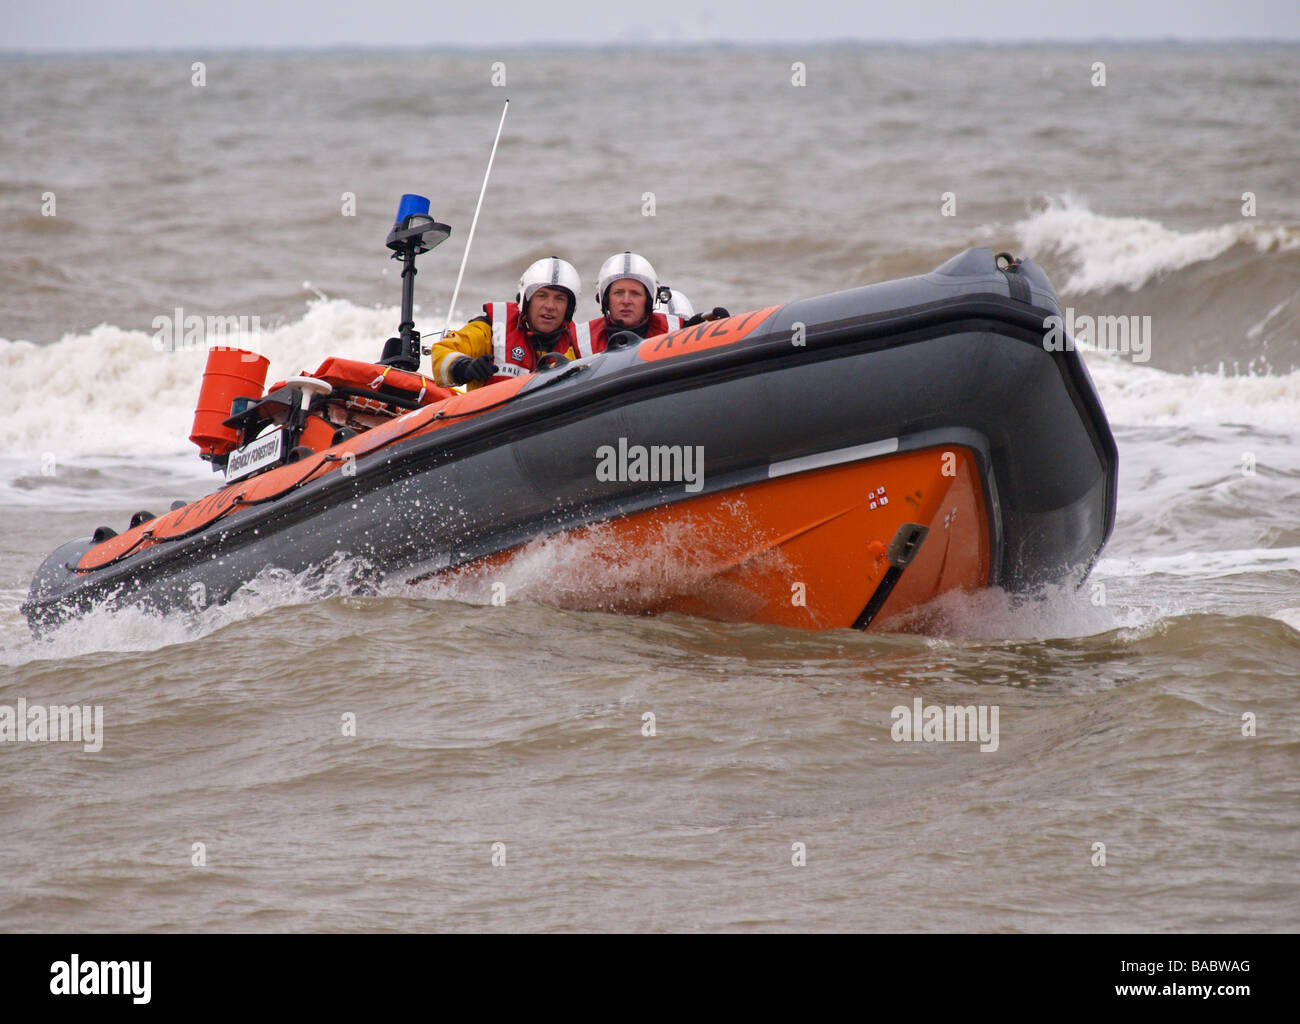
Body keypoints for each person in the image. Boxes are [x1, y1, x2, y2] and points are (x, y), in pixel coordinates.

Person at [429, 256, 583, 390]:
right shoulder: (495, 327)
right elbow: (442, 352)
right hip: (491, 419)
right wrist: (465, 367)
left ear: (569, 308)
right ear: (526, 301)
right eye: (542, 296)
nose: (550, 306)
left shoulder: (579, 344)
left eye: (559, 299)